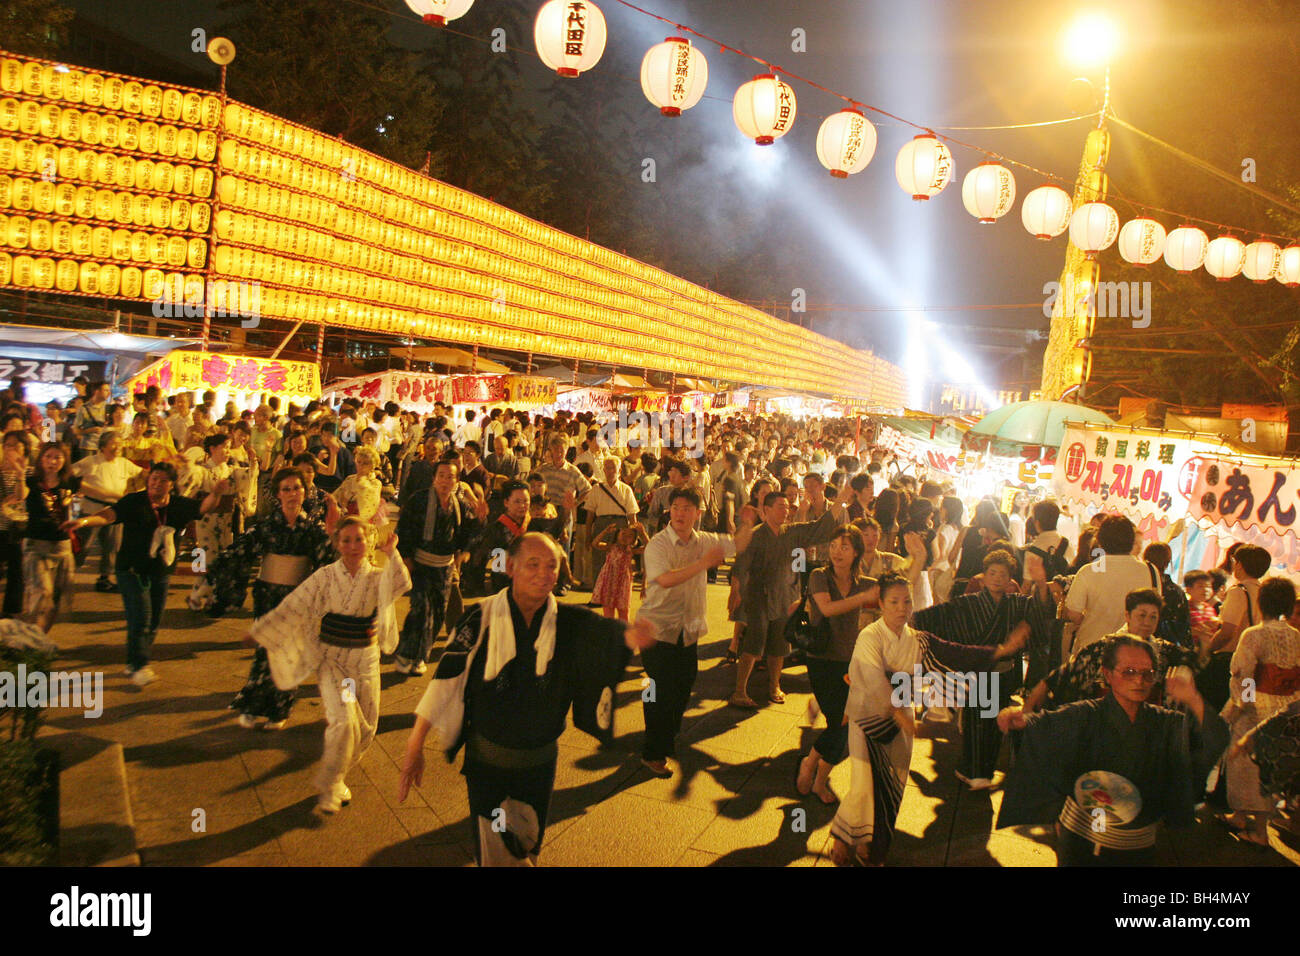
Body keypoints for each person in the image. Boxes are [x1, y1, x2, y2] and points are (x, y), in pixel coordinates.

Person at [399, 532, 655, 865]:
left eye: (551, 566)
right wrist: (414, 746)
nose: (544, 574)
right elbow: (445, 682)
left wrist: (640, 633)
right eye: (532, 564)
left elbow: (614, 636)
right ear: (511, 567)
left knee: (527, 845)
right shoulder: (480, 619)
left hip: (540, 766)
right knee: (501, 854)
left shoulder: (570, 622)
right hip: (488, 765)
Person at [830, 572, 1025, 866]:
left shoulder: (918, 640)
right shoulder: (869, 636)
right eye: (893, 601)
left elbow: (957, 654)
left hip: (902, 718)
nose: (901, 608)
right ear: (880, 604)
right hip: (869, 718)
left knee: (892, 786)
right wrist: (903, 718)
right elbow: (871, 680)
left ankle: (871, 840)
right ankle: (851, 839)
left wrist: (1002, 649)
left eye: (906, 601)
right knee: (863, 784)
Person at [997, 636, 1228, 866]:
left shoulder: (1165, 724)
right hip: (1081, 841)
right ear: (1107, 675)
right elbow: (1044, 724)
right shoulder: (1085, 715)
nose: (1139, 680)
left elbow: (1214, 739)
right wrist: (1018, 721)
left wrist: (1194, 699)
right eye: (1128, 671)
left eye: (1147, 673)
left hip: (1137, 844)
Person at [246, 518, 411, 812]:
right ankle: (332, 784)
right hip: (334, 662)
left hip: (365, 659)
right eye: (345, 540)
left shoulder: (375, 577)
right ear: (336, 544)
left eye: (359, 540)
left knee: (366, 727)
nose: (352, 547)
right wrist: (263, 631)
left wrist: (392, 553)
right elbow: (296, 603)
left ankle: (340, 771)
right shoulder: (325, 576)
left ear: (368, 542)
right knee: (344, 721)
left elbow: (400, 584)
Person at [63, 462, 229, 685]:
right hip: (131, 568)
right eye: (153, 478)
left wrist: (216, 493)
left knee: (153, 621)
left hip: (160, 570)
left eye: (162, 480)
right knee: (141, 616)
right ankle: (139, 664)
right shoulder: (134, 501)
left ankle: (135, 660)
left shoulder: (178, 505)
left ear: (171, 484)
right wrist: (84, 521)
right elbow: (109, 515)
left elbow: (203, 507)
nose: (156, 484)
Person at [634, 489, 756, 777]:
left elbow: (737, 544)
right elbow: (664, 579)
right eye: (675, 507)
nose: (679, 513)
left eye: (686, 508)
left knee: (682, 688)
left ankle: (667, 738)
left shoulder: (703, 541)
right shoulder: (659, 545)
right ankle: (652, 753)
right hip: (656, 629)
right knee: (658, 692)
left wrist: (748, 522)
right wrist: (703, 563)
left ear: (697, 513)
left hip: (686, 631)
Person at [911, 548, 1051, 789]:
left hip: (1003, 673)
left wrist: (1041, 583)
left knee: (995, 725)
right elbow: (936, 616)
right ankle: (977, 772)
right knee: (979, 724)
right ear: (983, 577)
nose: (997, 578)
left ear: (1011, 580)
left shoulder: (1016, 603)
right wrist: (905, 617)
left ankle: (976, 770)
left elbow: (1039, 611)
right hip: (977, 673)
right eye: (992, 573)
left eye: (1003, 575)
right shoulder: (968, 604)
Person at [210, 467, 336, 730]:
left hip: (297, 598)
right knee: (265, 649)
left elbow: (328, 565)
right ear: (278, 494)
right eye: (286, 489)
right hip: (267, 595)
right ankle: (255, 704)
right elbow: (238, 552)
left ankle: (280, 708)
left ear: (305, 492)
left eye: (297, 488)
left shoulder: (314, 528)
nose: (292, 493)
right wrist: (216, 574)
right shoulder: (266, 527)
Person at [729, 485, 851, 708]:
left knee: (779, 646)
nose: (785, 511)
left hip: (786, 596)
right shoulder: (756, 535)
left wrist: (839, 501)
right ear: (766, 510)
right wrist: (735, 594)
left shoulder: (793, 532)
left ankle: (774, 685)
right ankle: (739, 690)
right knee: (753, 646)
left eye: (787, 507)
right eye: (780, 507)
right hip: (759, 598)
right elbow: (741, 567)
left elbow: (819, 528)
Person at [798, 526, 880, 805]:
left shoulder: (864, 581)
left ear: (856, 551)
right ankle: (812, 767)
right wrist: (862, 598)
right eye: (833, 545)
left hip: (849, 662)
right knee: (839, 724)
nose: (836, 552)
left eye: (844, 547)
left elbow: (898, 591)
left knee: (843, 724)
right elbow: (828, 609)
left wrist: (918, 558)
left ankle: (817, 774)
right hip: (820, 660)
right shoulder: (819, 576)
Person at [1021, 588, 1199, 712]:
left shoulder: (1165, 651)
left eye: (1153, 617)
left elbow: (1195, 663)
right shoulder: (1102, 649)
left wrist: (1203, 650)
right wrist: (1028, 707)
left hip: (1147, 730)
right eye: (1142, 615)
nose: (1147, 622)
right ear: (1127, 616)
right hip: (1103, 726)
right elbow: (1059, 677)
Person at [1219, 575, 1300, 845]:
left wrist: (1244, 704)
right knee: (1266, 767)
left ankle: (1260, 833)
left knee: (1247, 765)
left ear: (1261, 602)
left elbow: (1244, 673)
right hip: (1285, 709)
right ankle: (1240, 815)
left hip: (1255, 707)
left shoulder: (1254, 634)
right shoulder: (1296, 635)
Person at [394, 459, 488, 674]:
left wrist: (481, 520)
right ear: (434, 478)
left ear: (456, 480)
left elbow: (469, 533)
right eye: (442, 475)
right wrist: (406, 559)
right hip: (420, 565)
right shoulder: (418, 500)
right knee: (421, 610)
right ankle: (408, 654)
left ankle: (420, 654)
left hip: (444, 568)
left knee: (437, 613)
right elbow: (404, 529)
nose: (446, 480)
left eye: (451, 476)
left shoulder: (459, 505)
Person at [1061, 515, 1161, 656]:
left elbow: (1073, 613)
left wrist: (1092, 619)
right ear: (1131, 540)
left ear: (1100, 542)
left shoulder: (1088, 571)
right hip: (1135, 652)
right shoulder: (1150, 571)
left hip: (1092, 650)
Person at [1199, 543, 1270, 713]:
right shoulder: (1263, 592)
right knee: (1244, 710)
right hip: (1253, 665)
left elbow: (1227, 633)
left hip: (1229, 664)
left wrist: (1206, 651)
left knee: (1214, 711)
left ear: (1240, 565)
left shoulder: (1238, 592)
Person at [71, 431, 141, 593]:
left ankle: (105, 578)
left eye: (120, 443)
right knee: (83, 545)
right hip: (91, 511)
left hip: (114, 511)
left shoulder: (124, 463)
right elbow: (69, 475)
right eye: (113, 443)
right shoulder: (90, 462)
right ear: (102, 446)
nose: (117, 447)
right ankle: (66, 573)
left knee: (112, 546)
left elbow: (142, 474)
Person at [23, 443, 80, 633]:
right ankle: (29, 639)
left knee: (54, 598)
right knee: (41, 593)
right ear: (41, 459)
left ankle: (40, 638)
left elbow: (96, 493)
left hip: (62, 547)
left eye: (57, 457)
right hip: (36, 544)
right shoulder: (31, 481)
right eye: (48, 457)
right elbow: (19, 494)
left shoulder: (70, 482)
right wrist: (17, 471)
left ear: (64, 460)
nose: (52, 461)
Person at [586, 455, 639, 589]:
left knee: (619, 560)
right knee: (599, 559)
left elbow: (632, 515)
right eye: (607, 468)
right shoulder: (596, 489)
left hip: (620, 526)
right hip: (601, 525)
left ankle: (617, 592)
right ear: (603, 470)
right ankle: (598, 593)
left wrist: (634, 536)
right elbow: (590, 515)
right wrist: (588, 535)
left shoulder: (626, 489)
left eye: (613, 468)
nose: (610, 471)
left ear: (619, 471)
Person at [589, 521, 648, 622]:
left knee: (624, 612)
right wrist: (605, 531)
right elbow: (595, 544)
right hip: (608, 581)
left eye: (630, 536)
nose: (625, 537)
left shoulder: (631, 550)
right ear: (617, 535)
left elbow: (650, 547)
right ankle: (610, 634)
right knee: (608, 613)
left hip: (623, 583)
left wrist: (642, 533)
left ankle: (623, 634)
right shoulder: (611, 547)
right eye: (623, 534)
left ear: (634, 539)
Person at [0, 431, 27, 616]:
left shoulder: (30, 472)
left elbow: (20, 496)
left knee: (17, 573)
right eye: (7, 445)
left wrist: (19, 473)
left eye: (16, 445)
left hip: (18, 530)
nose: (11, 449)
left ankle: (10, 613)